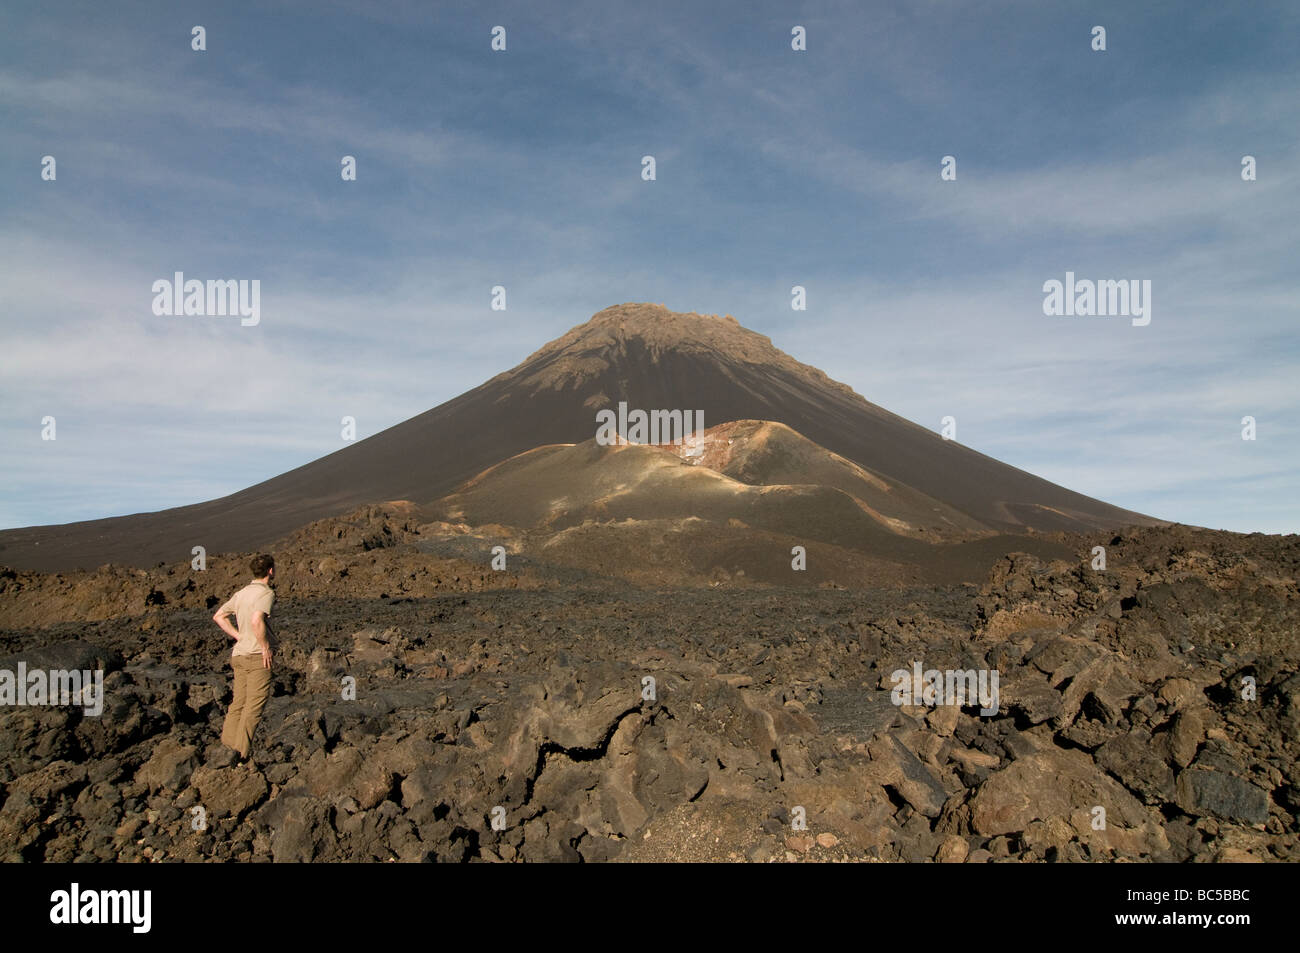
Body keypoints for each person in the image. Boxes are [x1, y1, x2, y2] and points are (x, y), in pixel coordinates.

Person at [211, 554, 276, 761]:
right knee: (253, 707)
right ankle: (240, 756)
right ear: (271, 571)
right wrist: (265, 646)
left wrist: (239, 636)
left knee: (237, 704)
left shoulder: (241, 593)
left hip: (239, 655)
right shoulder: (266, 593)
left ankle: (226, 752)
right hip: (257, 657)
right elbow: (257, 620)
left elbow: (219, 616)